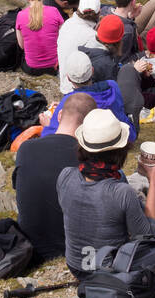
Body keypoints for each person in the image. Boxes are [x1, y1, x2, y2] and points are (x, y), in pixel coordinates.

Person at [58, 108, 155, 279]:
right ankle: (146, 181)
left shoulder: (65, 175)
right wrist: (153, 180)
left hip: (76, 267)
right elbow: (148, 237)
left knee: (121, 177)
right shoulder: (122, 193)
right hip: (111, 271)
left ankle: (139, 193)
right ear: (121, 150)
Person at [14, 91, 97, 263]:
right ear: (89, 126)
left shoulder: (26, 149)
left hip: (31, 247)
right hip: (74, 247)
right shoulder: (90, 159)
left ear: (59, 116)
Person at [57, 0, 103, 94]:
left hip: (65, 80)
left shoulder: (67, 24)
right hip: (77, 88)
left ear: (78, 9)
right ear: (99, 12)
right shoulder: (92, 36)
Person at [17, 0, 64, 76]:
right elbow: (63, 38)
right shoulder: (54, 11)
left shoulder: (20, 15)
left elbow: (22, 46)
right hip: (54, 67)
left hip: (31, 68)